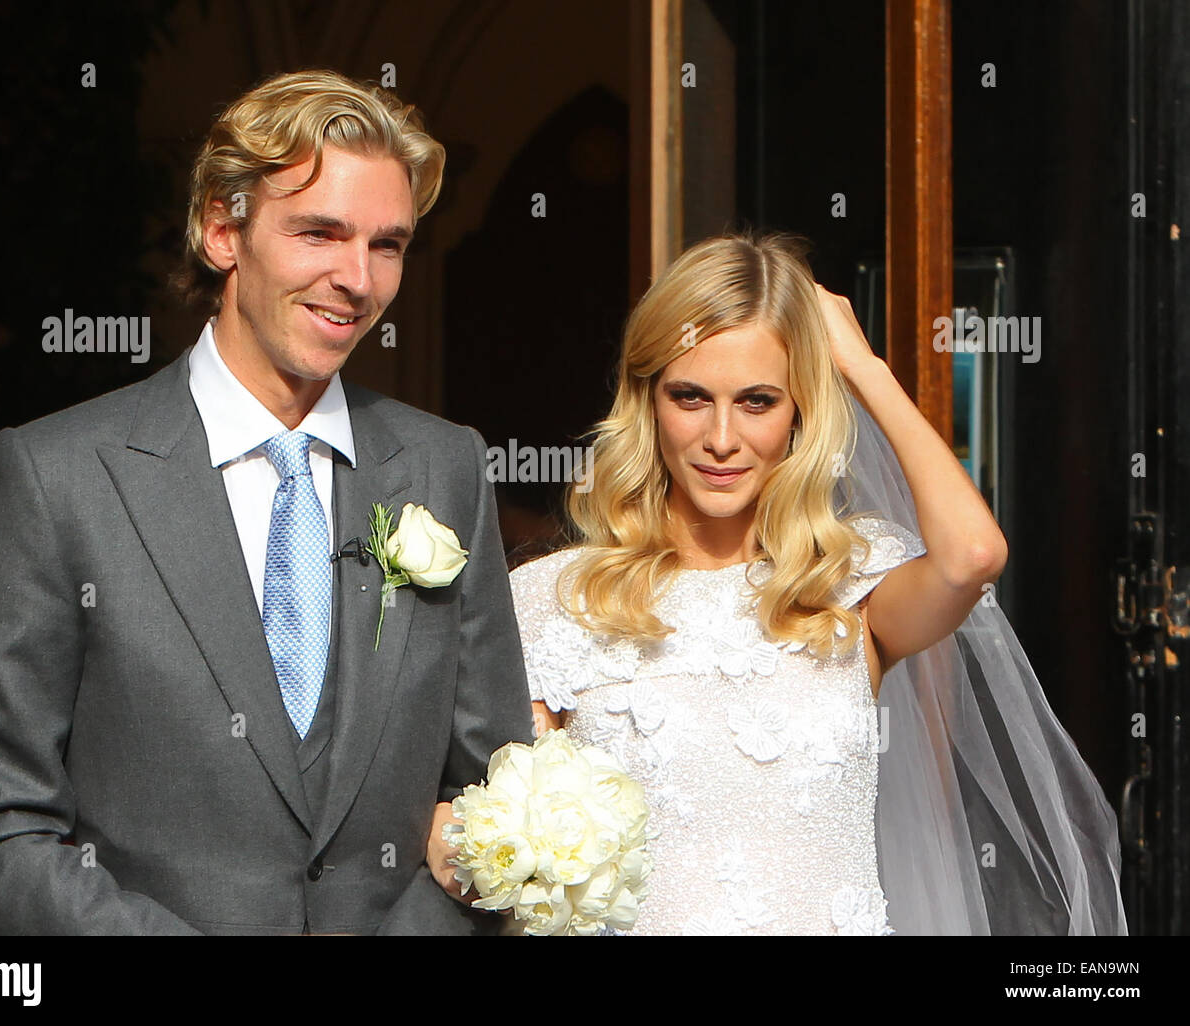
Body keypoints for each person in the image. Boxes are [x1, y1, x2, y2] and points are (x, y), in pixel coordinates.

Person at [0, 69, 535, 935]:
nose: (357, 280)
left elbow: (497, 796)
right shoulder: (59, 476)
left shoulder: (445, 467)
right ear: (222, 228)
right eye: (319, 232)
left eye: (388, 244)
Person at [427, 231, 1126, 935]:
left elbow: (973, 554)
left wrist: (862, 364)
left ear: (800, 412)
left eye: (758, 400)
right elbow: (493, 828)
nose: (722, 437)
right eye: (690, 396)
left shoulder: (850, 585)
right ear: (648, 402)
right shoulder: (559, 599)